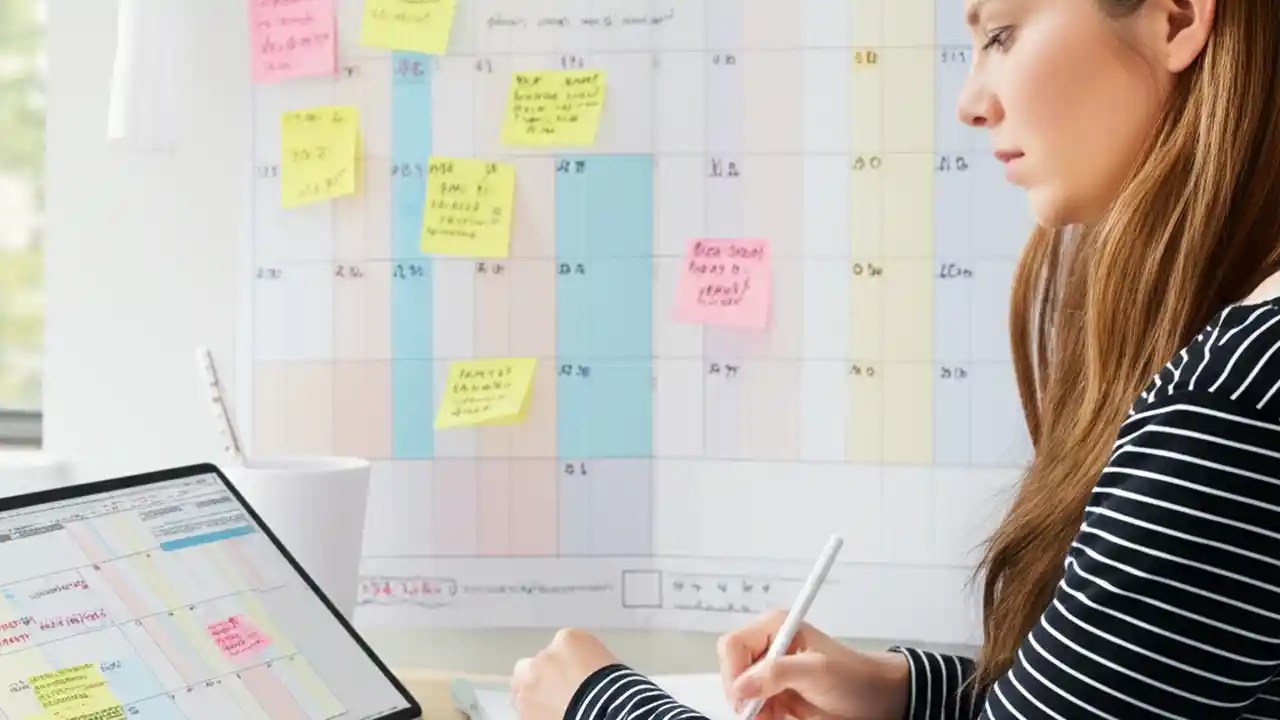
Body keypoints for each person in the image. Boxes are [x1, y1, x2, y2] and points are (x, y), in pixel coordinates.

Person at [511, 0, 1280, 717]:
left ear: (1176, 15)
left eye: (1002, 35)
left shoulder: (1232, 403)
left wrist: (599, 702)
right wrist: (905, 692)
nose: (971, 102)